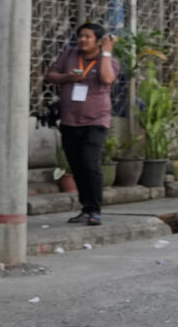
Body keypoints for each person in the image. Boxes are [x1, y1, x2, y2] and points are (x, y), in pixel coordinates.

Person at [43, 22, 120, 226]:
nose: (82, 40)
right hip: (69, 120)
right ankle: (85, 209)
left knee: (89, 163)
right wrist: (68, 76)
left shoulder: (108, 60)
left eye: (87, 36)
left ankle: (95, 210)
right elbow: (50, 75)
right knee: (77, 166)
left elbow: (107, 78)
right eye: (80, 36)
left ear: (98, 40)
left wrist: (105, 53)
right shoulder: (69, 54)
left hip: (96, 121)